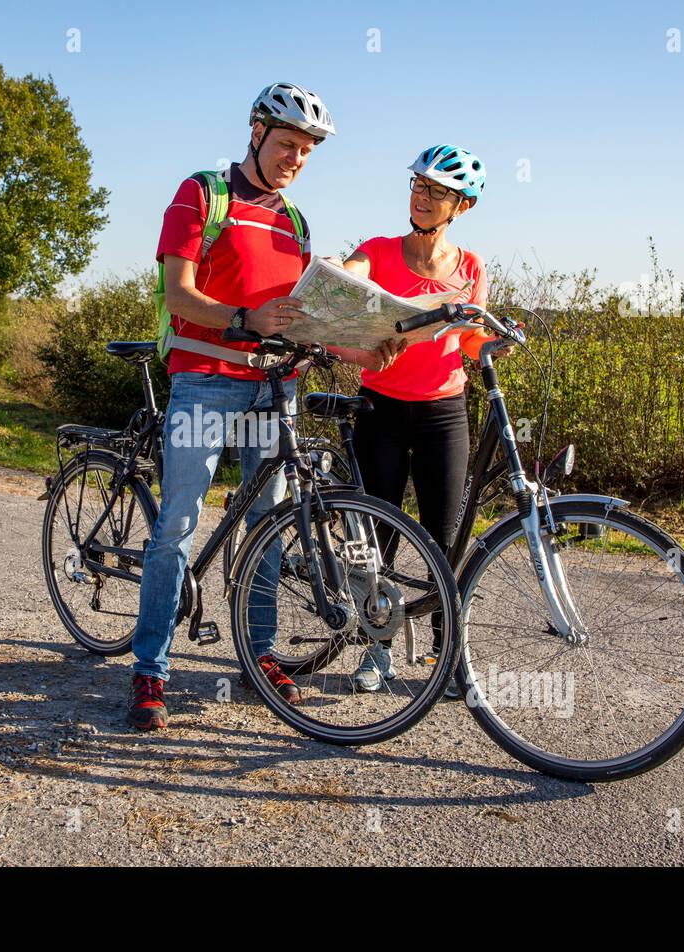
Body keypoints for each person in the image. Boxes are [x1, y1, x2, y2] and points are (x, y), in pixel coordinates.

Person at [128, 83, 348, 730]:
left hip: (274, 385)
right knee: (178, 526)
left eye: (306, 151)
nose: (296, 159)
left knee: (271, 525)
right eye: (287, 145)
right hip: (204, 380)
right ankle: (150, 668)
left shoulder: (295, 222)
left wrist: (351, 340)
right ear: (256, 132)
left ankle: (258, 655)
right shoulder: (203, 194)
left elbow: (297, 312)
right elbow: (180, 295)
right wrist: (244, 317)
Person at [335, 144, 493, 692]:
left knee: (443, 538)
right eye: (417, 187)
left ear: (462, 206)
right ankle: (376, 650)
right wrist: (337, 271)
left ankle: (447, 655)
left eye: (437, 192)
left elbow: (471, 339)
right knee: (375, 537)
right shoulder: (378, 250)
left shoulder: (471, 268)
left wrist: (492, 346)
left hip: (444, 414)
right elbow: (350, 281)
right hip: (380, 409)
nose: (422, 198)